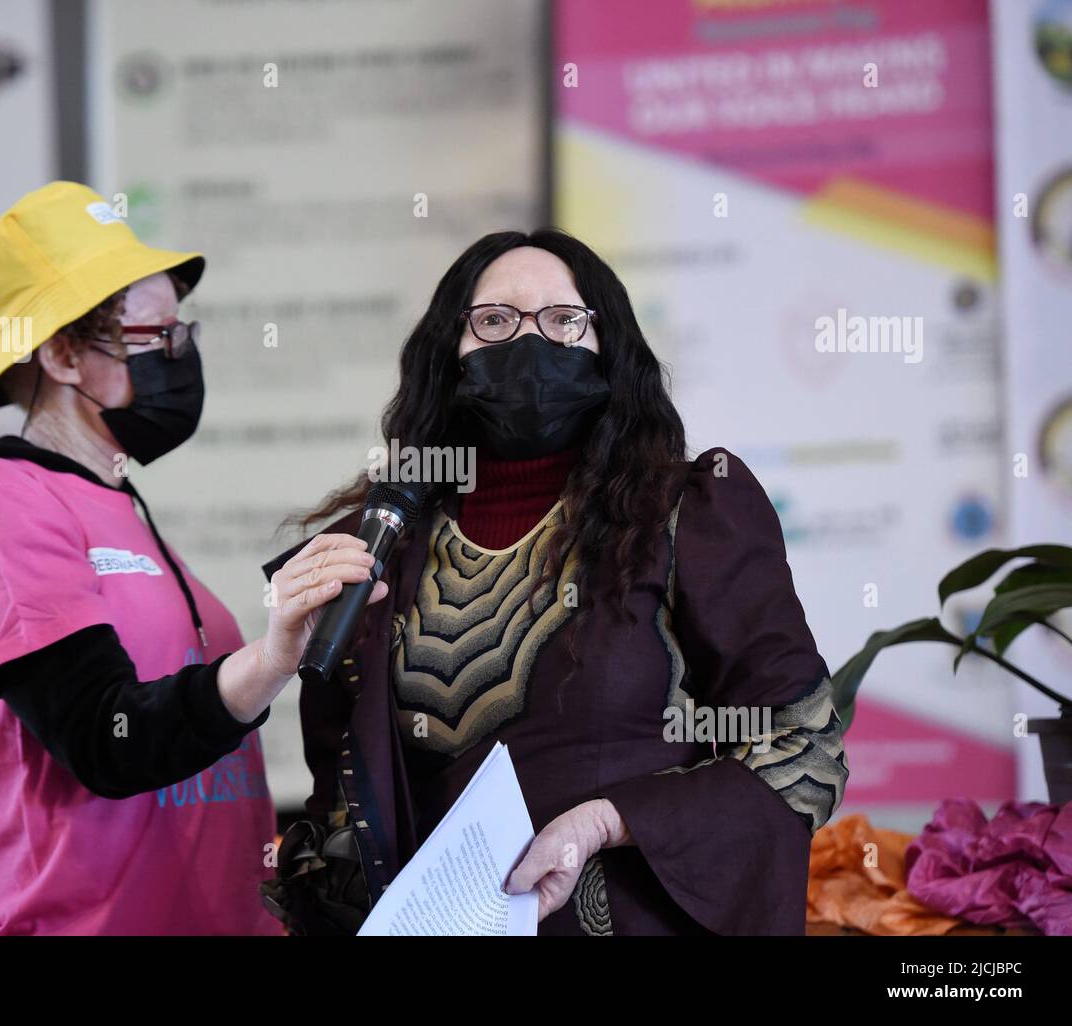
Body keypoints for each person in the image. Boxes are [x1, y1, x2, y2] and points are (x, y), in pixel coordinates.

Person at [267, 228, 849, 935]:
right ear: (448, 355)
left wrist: (611, 821)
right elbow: (340, 791)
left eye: (563, 320)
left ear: (611, 350)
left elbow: (802, 749)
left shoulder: (686, 513)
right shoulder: (383, 537)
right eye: (494, 321)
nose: (529, 344)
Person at [0, 182, 385, 935]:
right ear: (62, 353)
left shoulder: (117, 506)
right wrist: (271, 658)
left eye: (181, 331)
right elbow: (105, 738)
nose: (181, 355)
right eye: (156, 337)